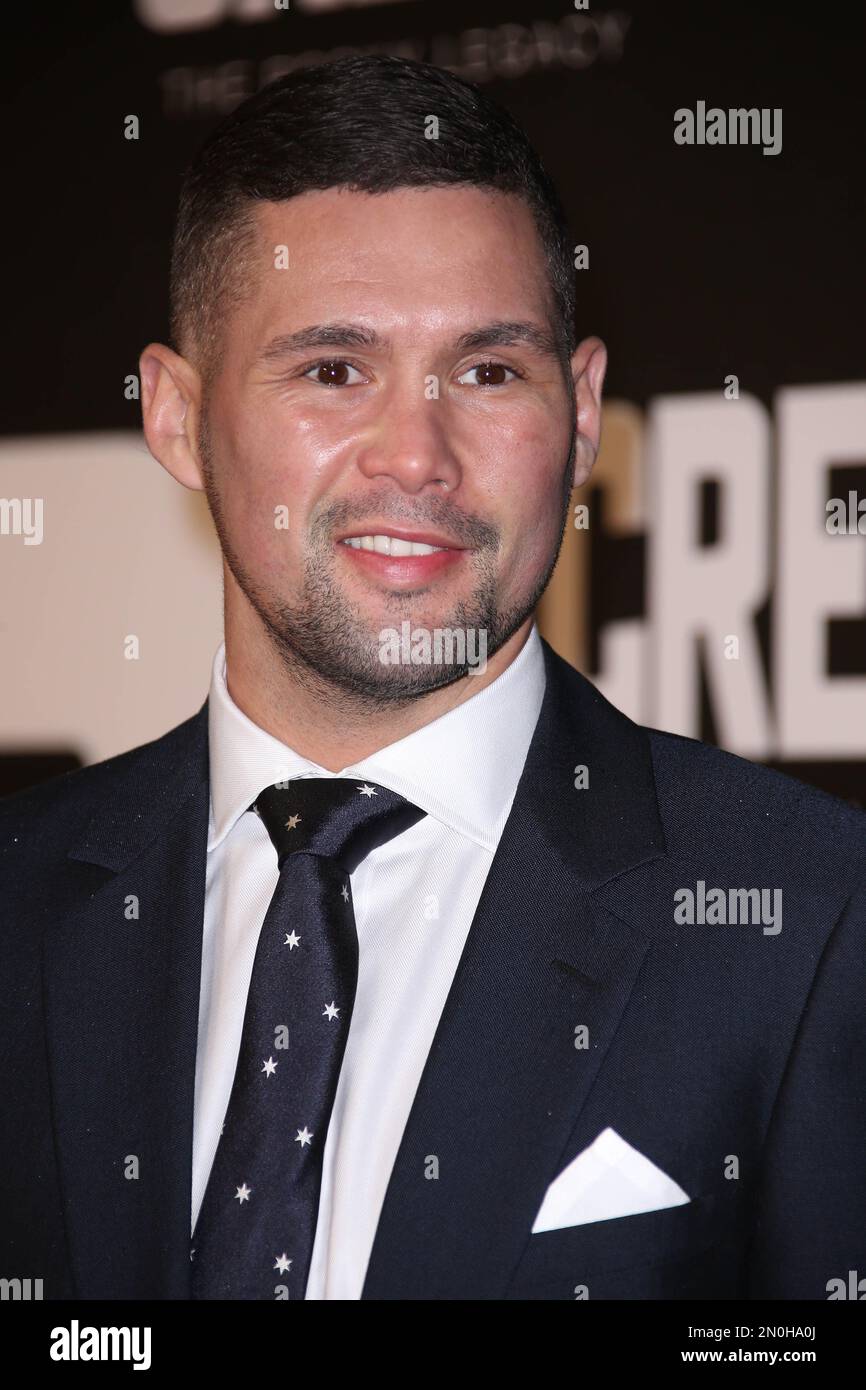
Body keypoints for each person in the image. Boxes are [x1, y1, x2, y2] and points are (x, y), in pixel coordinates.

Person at [1, 54, 864, 1302]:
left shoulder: (812, 919)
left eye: (488, 371)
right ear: (178, 417)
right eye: (332, 370)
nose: (417, 455)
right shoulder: (23, 900)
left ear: (578, 414)